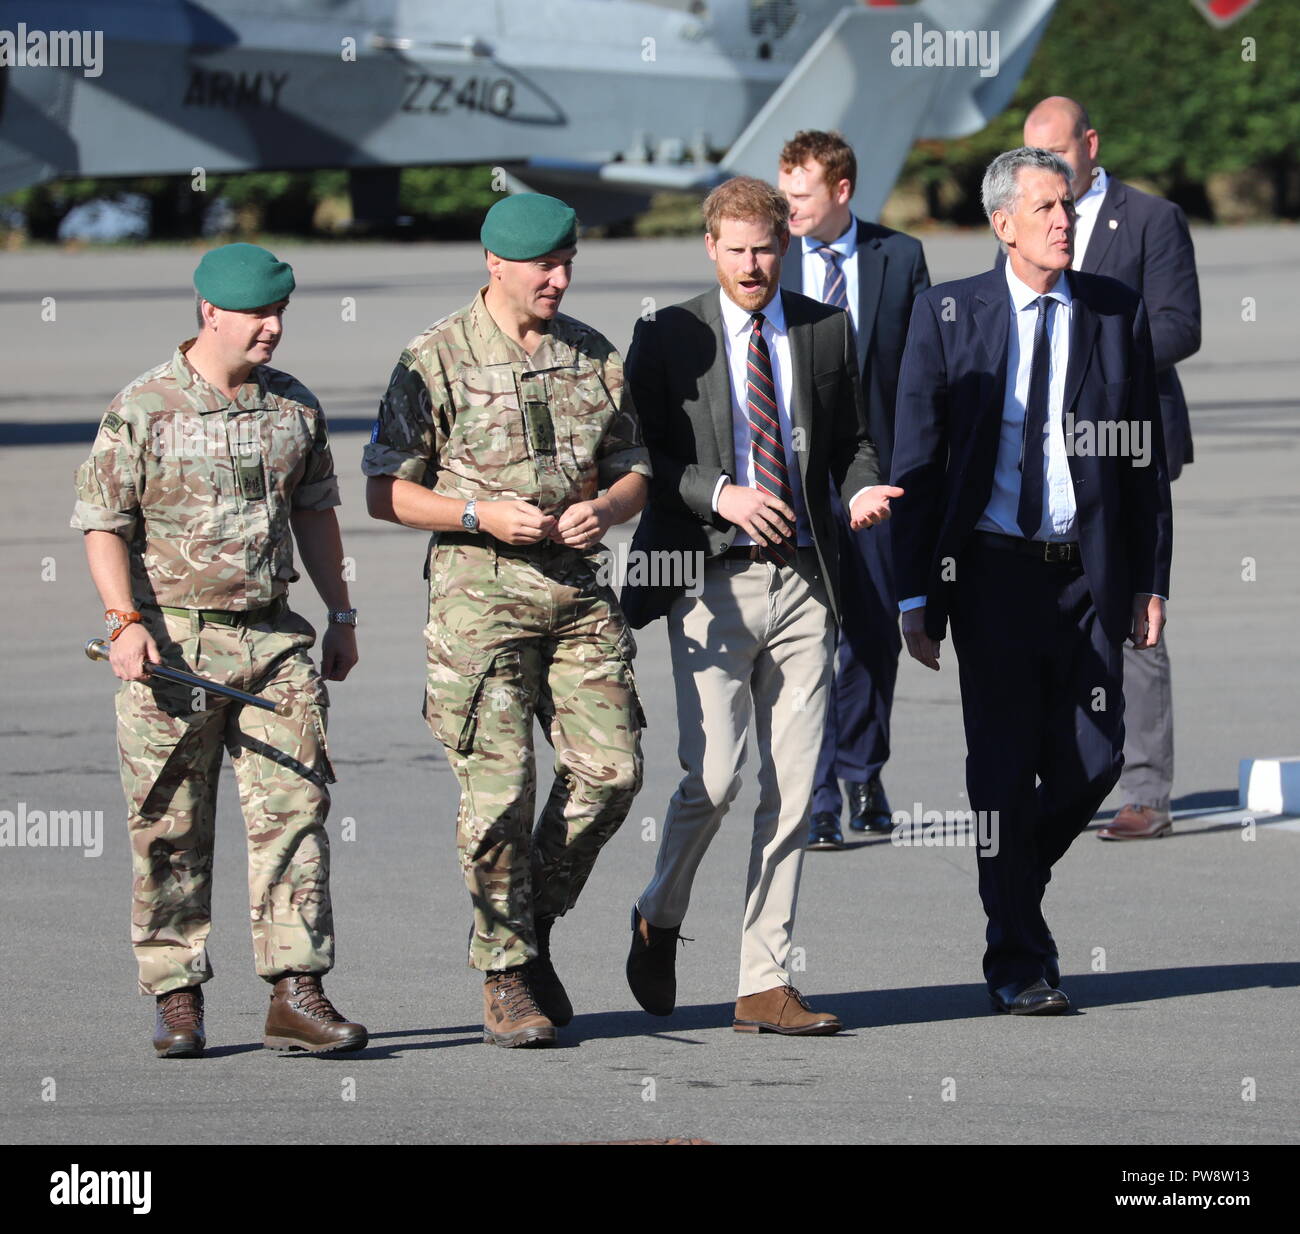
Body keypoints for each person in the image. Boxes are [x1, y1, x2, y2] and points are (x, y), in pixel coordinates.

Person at [364, 193, 651, 1048]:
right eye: (542, 268)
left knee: (611, 773)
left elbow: (634, 469)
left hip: (575, 596)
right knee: (496, 795)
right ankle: (505, 974)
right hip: (477, 602)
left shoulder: (594, 355)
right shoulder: (436, 357)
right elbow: (385, 490)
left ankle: (526, 926)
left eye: (567, 264)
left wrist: (608, 508)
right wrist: (474, 515)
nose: (557, 280)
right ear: (495, 264)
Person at [891, 148, 1172, 1014]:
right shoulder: (945, 313)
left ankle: (1013, 879)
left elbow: (1142, 463)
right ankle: (1016, 957)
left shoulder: (1113, 312)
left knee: (1096, 759)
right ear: (1002, 223)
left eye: (1070, 208)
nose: (1064, 221)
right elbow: (917, 463)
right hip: (991, 576)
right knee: (1003, 774)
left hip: (1088, 577)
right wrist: (915, 594)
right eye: (1046, 208)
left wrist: (1149, 581)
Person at [72, 242, 367, 1057]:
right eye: (257, 315)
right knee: (169, 824)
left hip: (274, 641)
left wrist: (341, 613)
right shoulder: (143, 406)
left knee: (295, 814)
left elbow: (316, 514)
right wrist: (123, 620)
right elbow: (105, 525)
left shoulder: (295, 408)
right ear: (210, 312)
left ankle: (295, 989)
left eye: (280, 313)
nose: (273, 328)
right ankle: (176, 996)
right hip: (172, 644)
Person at [620, 176, 897, 1034]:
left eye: (766, 248)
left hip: (808, 581)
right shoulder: (667, 335)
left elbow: (851, 440)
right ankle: (658, 913)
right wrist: (720, 492)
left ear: (787, 245)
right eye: (736, 250)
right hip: (710, 577)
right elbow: (638, 457)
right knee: (713, 778)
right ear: (711, 248)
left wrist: (856, 493)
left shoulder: (822, 328)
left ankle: (763, 980)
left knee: (793, 781)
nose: (752, 265)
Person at [1022, 96, 1201, 842]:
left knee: (1134, 607)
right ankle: (1066, 767)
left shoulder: (1152, 219)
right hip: (1041, 453)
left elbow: (1179, 325)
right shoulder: (1025, 213)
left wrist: (1089, 362)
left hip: (1127, 441)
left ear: (1090, 144)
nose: (1045, 172)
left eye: (1057, 154)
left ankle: (1147, 789)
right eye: (1034, 157)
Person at [777, 129, 931, 848]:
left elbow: (923, 369)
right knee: (810, 635)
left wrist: (922, 465)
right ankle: (815, 802)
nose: (788, 208)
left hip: (880, 480)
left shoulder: (899, 258)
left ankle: (862, 767)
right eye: (782, 194)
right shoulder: (770, 261)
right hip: (796, 479)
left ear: (842, 191)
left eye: (800, 195)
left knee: (873, 631)